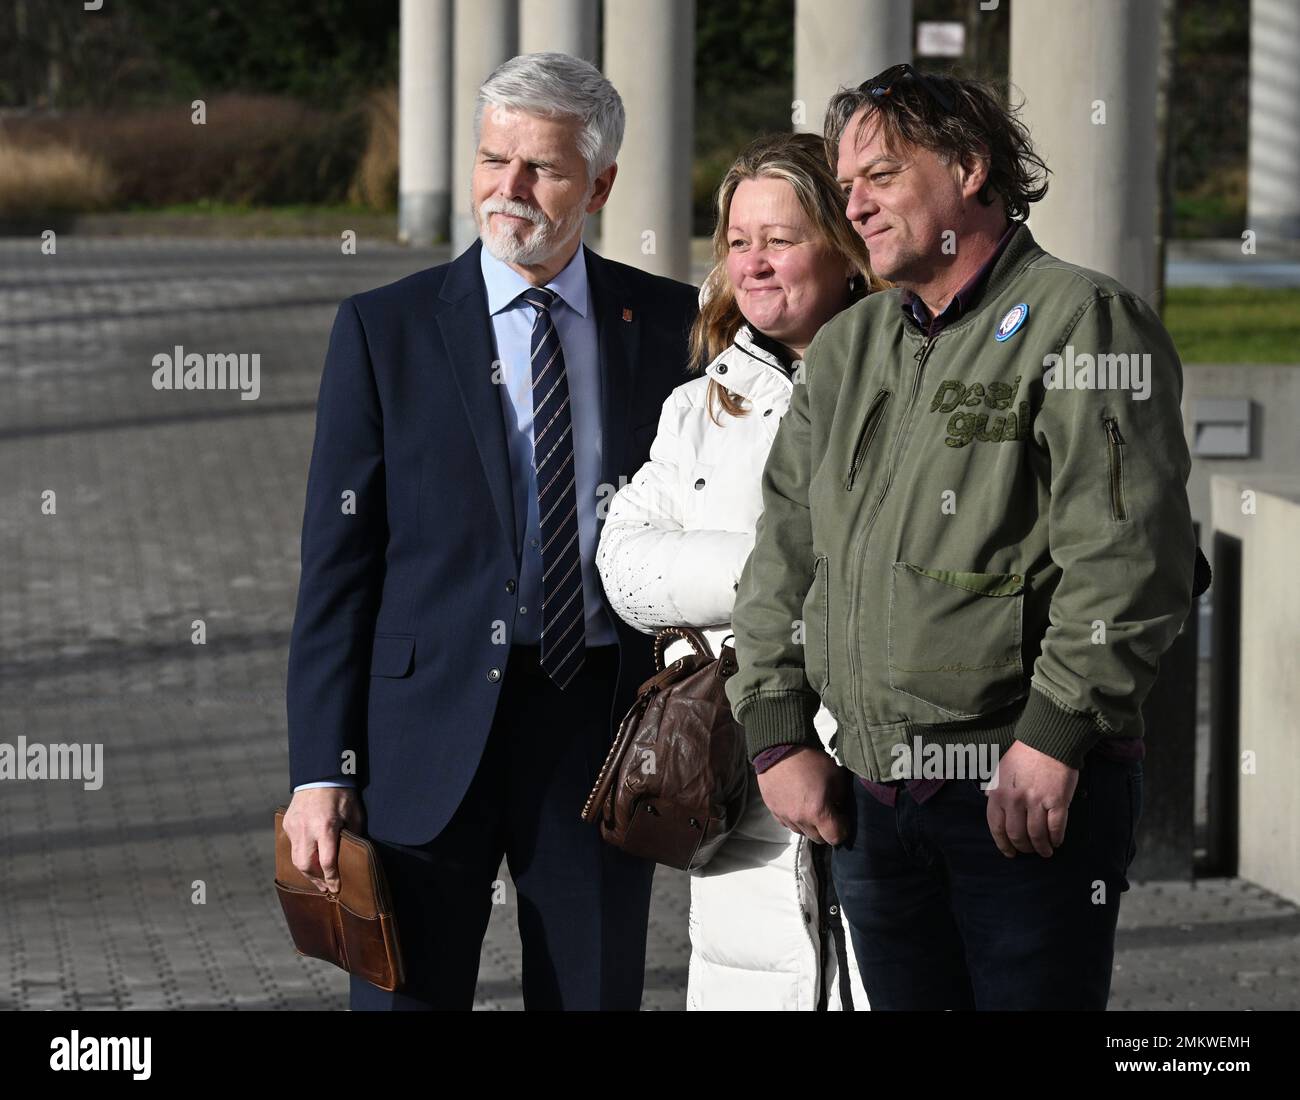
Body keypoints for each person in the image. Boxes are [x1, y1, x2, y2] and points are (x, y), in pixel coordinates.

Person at [724, 66, 1197, 1010]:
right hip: (873, 795)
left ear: (971, 168)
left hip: (1021, 795)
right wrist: (776, 732)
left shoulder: (1082, 320)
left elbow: (1131, 561)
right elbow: (783, 546)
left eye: (883, 177)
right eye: (846, 184)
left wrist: (1057, 736)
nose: (853, 206)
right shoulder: (853, 344)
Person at [282, 51, 699, 1010]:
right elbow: (336, 572)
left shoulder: (672, 325)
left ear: (600, 185)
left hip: (595, 722)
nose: (507, 189)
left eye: (542, 168)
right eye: (490, 159)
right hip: (420, 734)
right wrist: (319, 770)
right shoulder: (382, 330)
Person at [597, 132, 881, 1010]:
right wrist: (780, 569)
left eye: (781, 239)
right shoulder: (699, 406)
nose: (753, 264)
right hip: (742, 790)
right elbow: (625, 566)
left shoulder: (907, 383)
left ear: (844, 245)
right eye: (738, 240)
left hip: (882, 769)